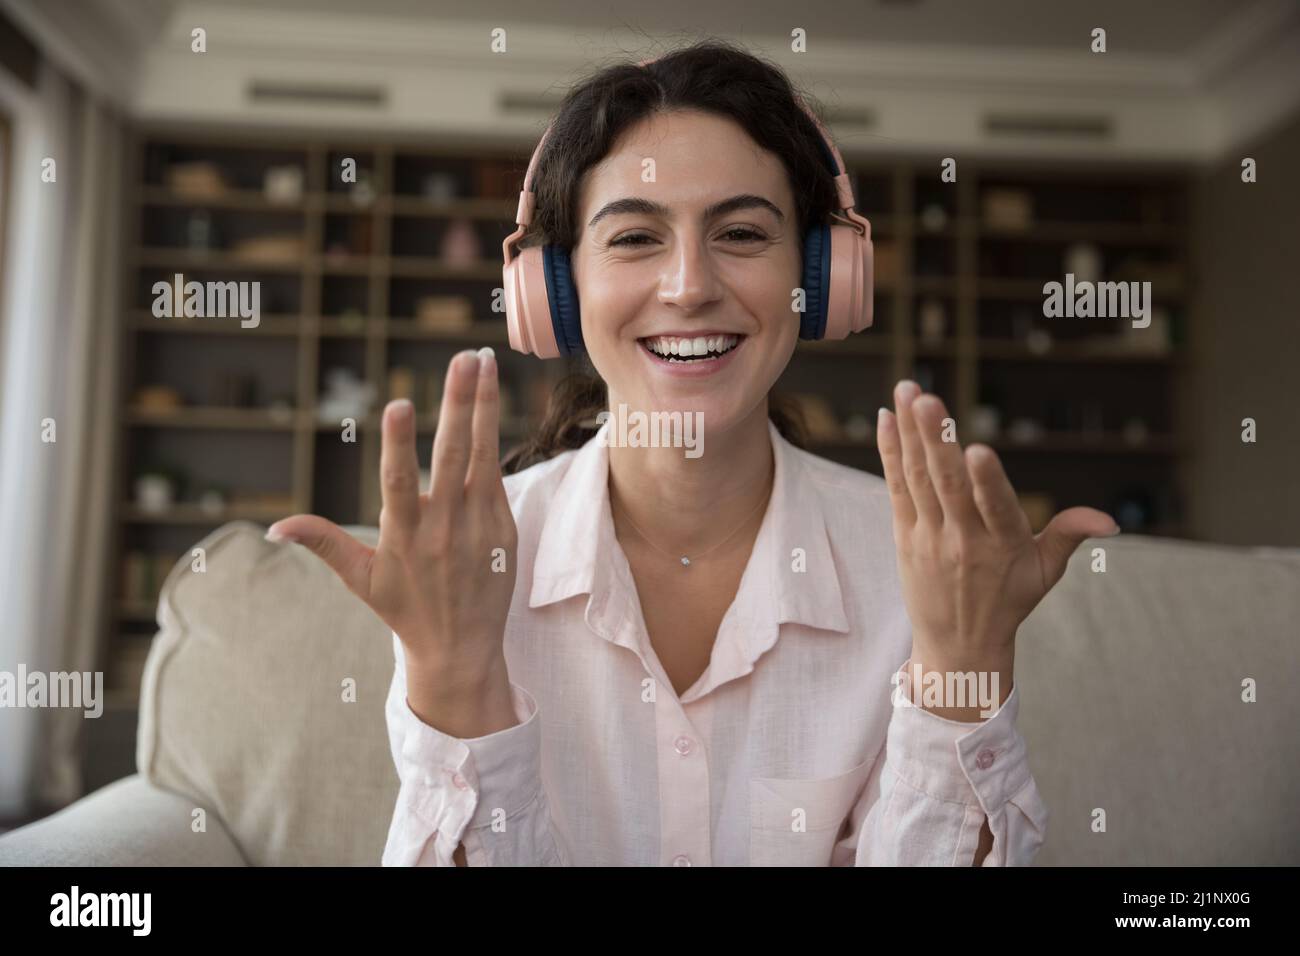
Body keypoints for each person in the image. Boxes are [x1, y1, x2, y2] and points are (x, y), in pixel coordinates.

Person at [267, 40, 1119, 866]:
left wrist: (963, 676)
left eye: (743, 234)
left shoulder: (924, 568)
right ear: (557, 291)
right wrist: (453, 683)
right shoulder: (464, 566)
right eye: (635, 238)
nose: (689, 286)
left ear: (822, 277)